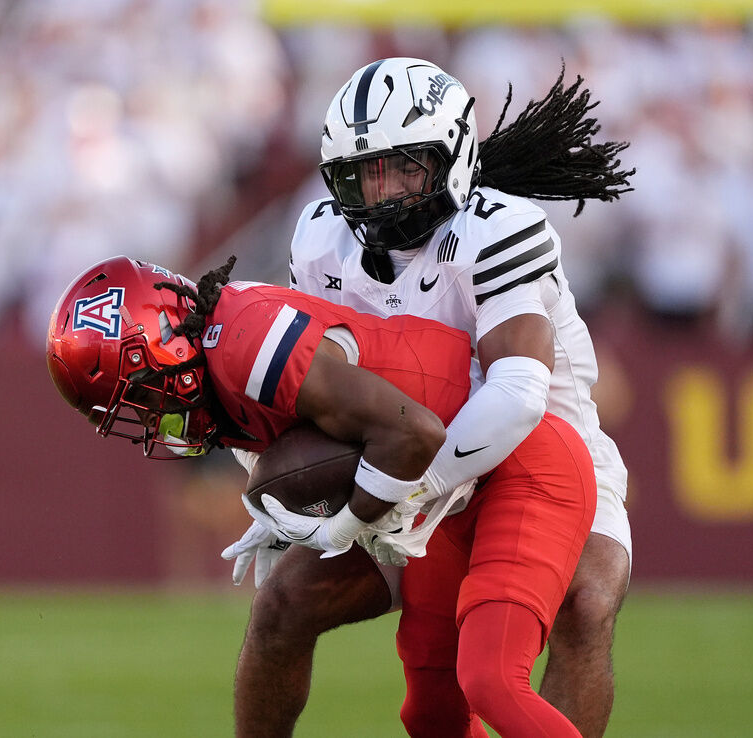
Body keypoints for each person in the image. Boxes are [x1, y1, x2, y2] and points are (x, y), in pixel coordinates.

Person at [223, 57, 634, 737]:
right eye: (363, 175)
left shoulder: (495, 229)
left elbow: (518, 391)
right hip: (404, 453)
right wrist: (270, 484)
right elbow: (318, 385)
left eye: (403, 170)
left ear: (453, 158)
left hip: (540, 452)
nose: (382, 196)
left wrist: (405, 495)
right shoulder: (323, 238)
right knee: (284, 604)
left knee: (585, 604)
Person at [47, 254, 596, 736]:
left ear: (166, 340)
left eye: (139, 395)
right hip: (443, 496)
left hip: (518, 465)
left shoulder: (248, 347)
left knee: (492, 681)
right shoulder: (216, 358)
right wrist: (277, 511)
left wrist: (343, 525)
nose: (146, 418)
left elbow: (416, 434)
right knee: (429, 712)